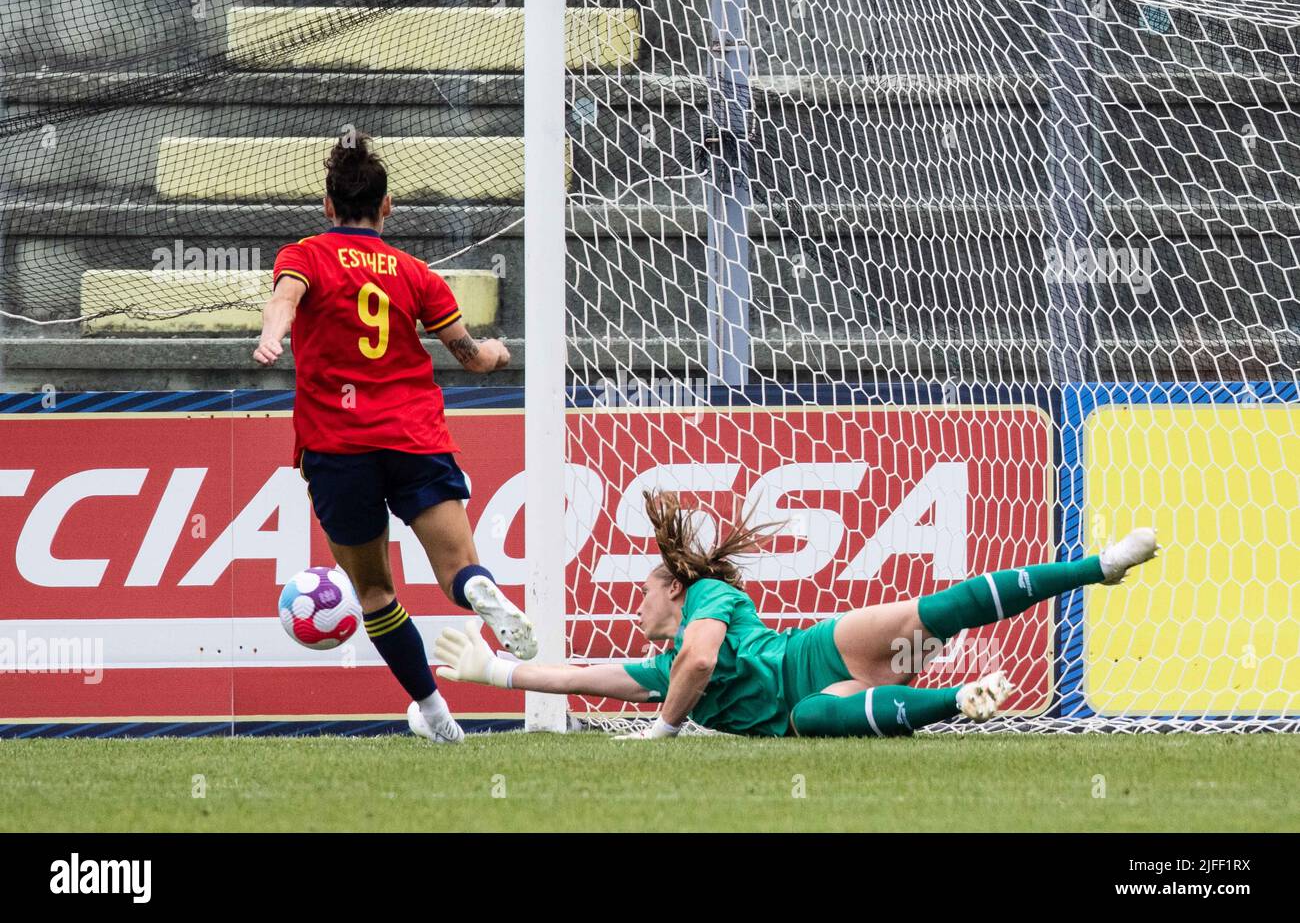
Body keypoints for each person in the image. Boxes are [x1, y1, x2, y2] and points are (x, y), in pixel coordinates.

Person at [433, 490, 1159, 738]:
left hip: (819, 652)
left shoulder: (710, 603)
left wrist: (663, 728)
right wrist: (495, 670)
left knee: (934, 609)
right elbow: (575, 674)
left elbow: (702, 660)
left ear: (678, 588)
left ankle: (1100, 566)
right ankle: (955, 700)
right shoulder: (660, 668)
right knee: (814, 722)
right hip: (814, 700)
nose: (638, 600)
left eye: (648, 588)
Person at [254, 132, 536, 744]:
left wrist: (273, 334)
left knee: (377, 591)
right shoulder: (415, 273)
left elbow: (284, 297)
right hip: (415, 436)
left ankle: (436, 715)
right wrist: (495, 352)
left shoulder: (304, 254)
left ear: (328, 207)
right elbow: (467, 355)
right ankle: (480, 591)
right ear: (387, 209)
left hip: (338, 447)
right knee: (459, 567)